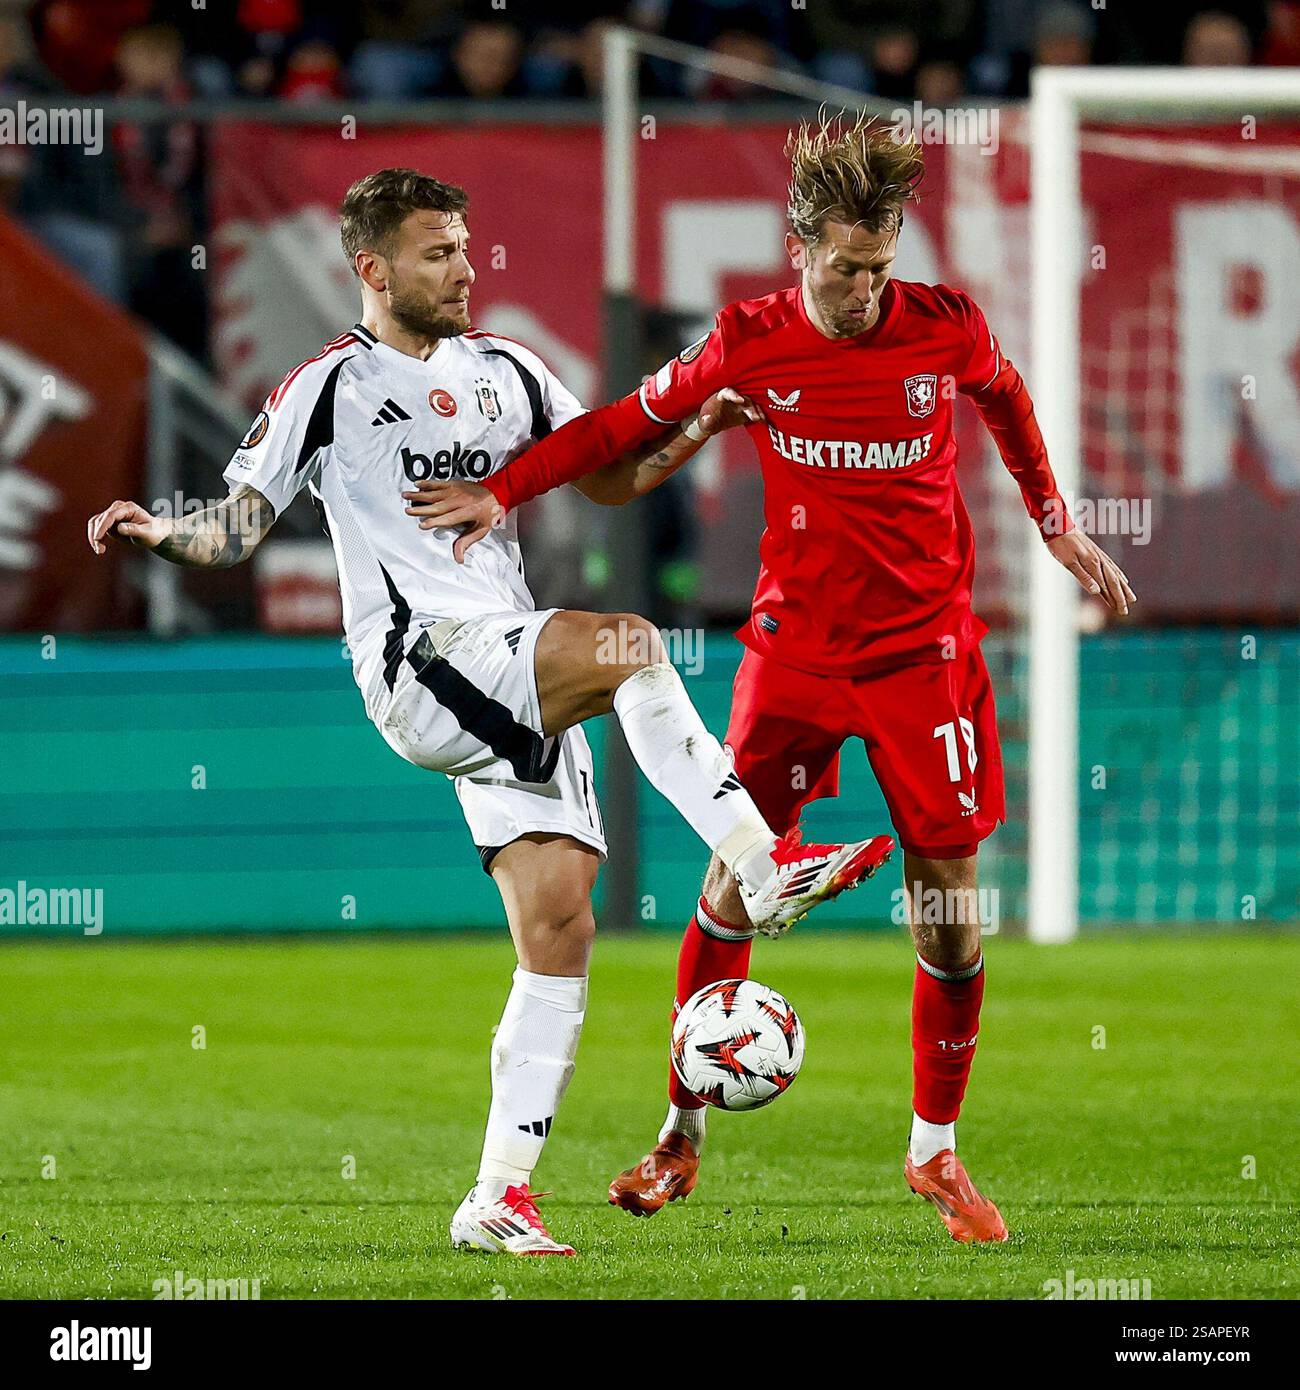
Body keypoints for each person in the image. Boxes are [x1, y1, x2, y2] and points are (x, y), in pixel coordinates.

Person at [85, 167, 893, 1257]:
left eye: (466, 247)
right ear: (370, 268)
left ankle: (496, 1195)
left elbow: (602, 476)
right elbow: (239, 522)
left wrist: (696, 426)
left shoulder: (508, 368)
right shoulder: (329, 384)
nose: (465, 268)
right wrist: (161, 532)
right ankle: (757, 862)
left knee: (559, 928)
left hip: (507, 660)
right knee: (632, 648)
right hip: (419, 658)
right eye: (436, 252)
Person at [411, 115, 1136, 1244]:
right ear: (800, 247)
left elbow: (1005, 400)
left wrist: (1053, 523)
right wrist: (501, 493)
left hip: (924, 654)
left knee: (947, 913)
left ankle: (934, 1152)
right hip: (792, 650)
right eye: (846, 268)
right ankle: (679, 1129)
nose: (863, 289)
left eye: (880, 266)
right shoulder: (746, 341)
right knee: (737, 878)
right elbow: (617, 424)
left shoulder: (942, 329)